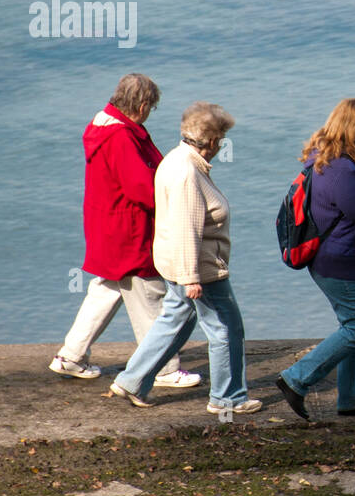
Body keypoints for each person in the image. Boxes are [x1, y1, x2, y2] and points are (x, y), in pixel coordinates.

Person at [109, 103, 261, 414]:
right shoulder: (187, 172)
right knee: (226, 328)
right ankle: (227, 398)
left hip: (173, 262)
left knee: (176, 319)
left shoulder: (175, 158)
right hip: (199, 268)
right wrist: (191, 276)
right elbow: (186, 225)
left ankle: (132, 380)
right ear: (213, 141)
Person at [50, 74, 199, 388]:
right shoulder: (121, 136)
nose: (150, 113)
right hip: (129, 229)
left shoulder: (104, 127)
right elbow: (141, 187)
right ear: (143, 105)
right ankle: (164, 368)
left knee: (106, 290)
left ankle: (71, 356)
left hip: (106, 224)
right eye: (151, 108)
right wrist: (176, 197)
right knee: (151, 295)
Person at [275, 98, 355, 419]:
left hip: (346, 260)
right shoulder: (340, 169)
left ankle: (353, 397)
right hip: (339, 262)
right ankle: (296, 379)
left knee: (351, 324)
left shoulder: (343, 159)